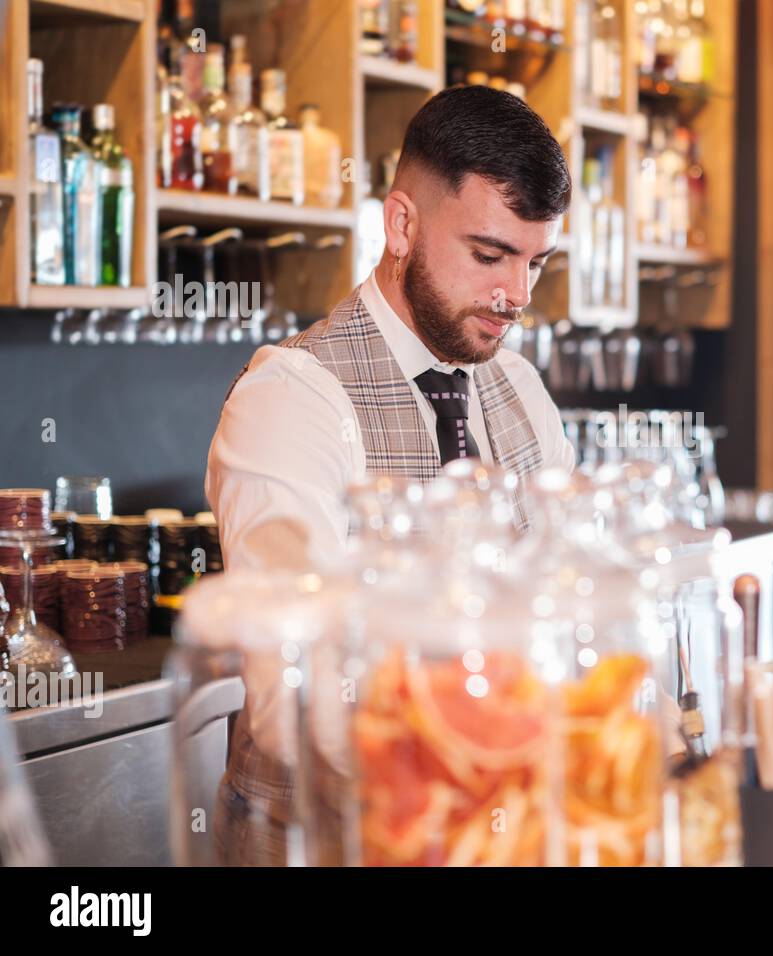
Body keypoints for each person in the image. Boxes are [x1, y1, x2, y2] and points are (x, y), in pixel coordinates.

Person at [204, 85, 575, 864]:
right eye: (488, 255)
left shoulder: (522, 392)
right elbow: (290, 689)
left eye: (535, 262)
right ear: (401, 223)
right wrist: (476, 751)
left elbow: (565, 603)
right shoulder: (293, 397)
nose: (517, 296)